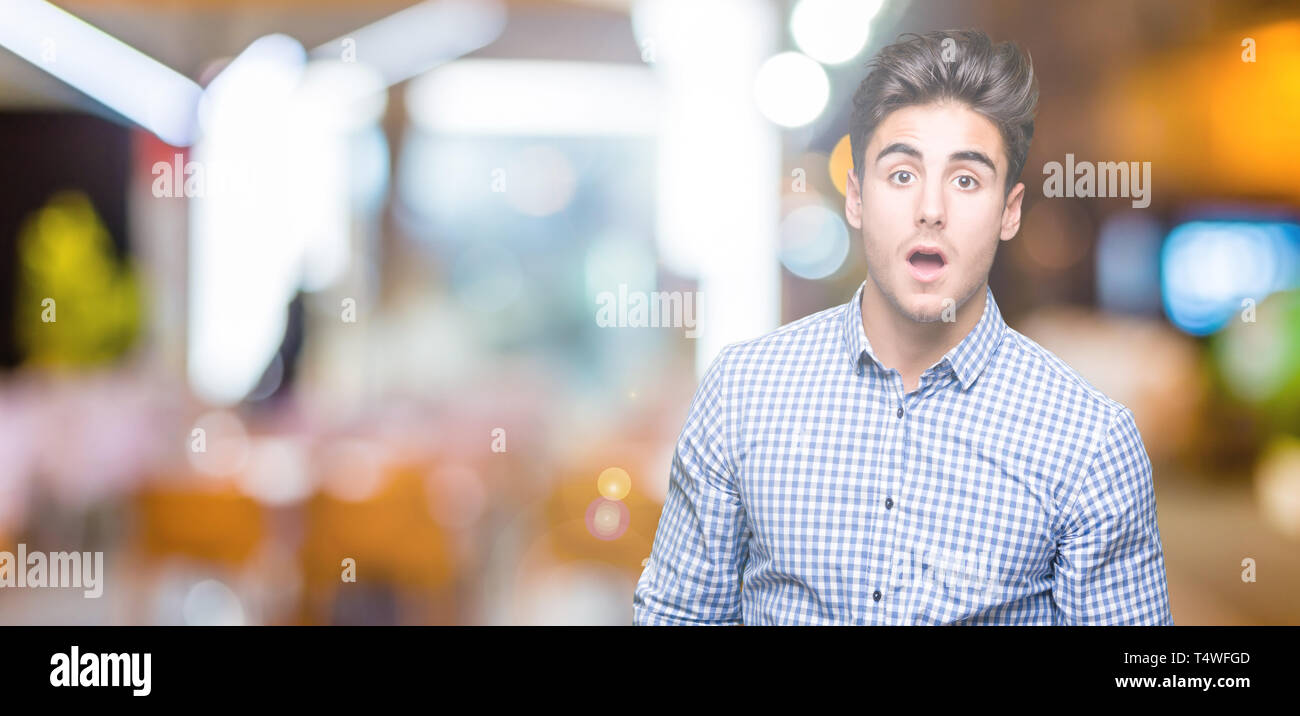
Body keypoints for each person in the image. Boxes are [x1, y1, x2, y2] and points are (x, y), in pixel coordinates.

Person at [633, 29, 1174, 625]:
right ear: (856, 198)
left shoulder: (1090, 441)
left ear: (1009, 211)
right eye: (901, 175)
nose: (931, 210)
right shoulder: (742, 391)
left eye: (966, 180)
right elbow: (678, 614)